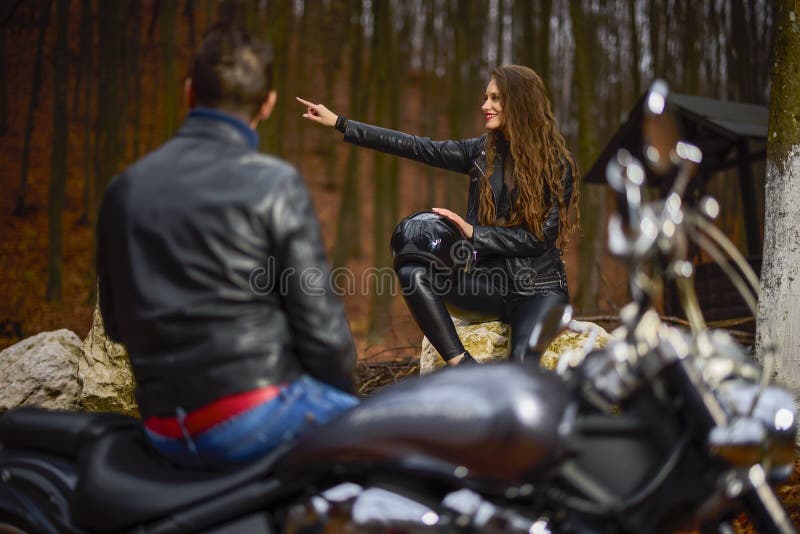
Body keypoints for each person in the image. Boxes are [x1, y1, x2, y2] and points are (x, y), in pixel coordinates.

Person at [97, 24, 358, 468]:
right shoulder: (275, 185)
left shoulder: (124, 189)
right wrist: (344, 411)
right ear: (269, 104)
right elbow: (326, 337)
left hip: (163, 428)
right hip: (258, 415)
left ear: (188, 92)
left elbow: (117, 325)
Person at [297, 65, 579, 365]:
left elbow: (538, 240)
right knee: (412, 273)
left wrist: (474, 233)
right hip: (489, 286)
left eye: (495, 98)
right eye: (486, 97)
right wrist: (342, 123)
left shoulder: (557, 164)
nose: (485, 106)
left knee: (521, 363)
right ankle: (461, 364)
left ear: (520, 102)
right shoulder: (481, 152)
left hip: (539, 290)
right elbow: (417, 146)